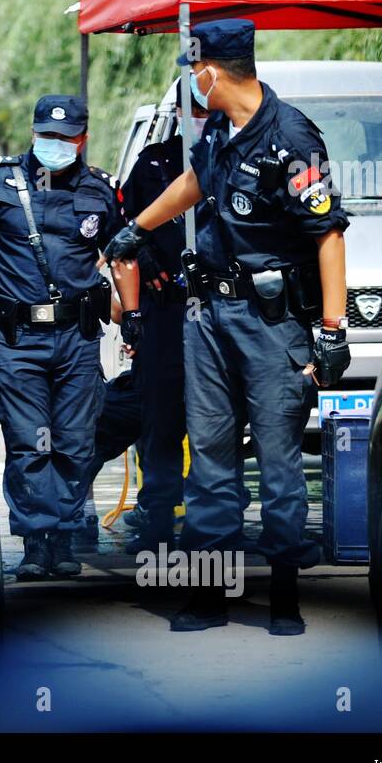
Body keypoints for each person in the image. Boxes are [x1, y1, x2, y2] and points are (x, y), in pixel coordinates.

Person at [104, 19, 350, 635]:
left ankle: (285, 596)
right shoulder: (217, 128)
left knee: (277, 456)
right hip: (207, 316)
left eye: (194, 70)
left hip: (271, 324)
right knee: (211, 456)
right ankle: (209, 594)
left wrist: (332, 326)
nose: (190, 81)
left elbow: (329, 234)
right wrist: (139, 225)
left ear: (213, 71)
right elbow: (196, 182)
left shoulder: (292, 136)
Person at [0, 95, 118, 580]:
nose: (55, 145)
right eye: (46, 135)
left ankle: (64, 539)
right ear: (33, 132)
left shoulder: (101, 190)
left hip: (77, 334)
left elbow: (123, 252)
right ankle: (34, 541)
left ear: (82, 139)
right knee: (28, 444)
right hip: (17, 334)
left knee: (74, 441)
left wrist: (130, 316)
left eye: (65, 138)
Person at [109, 84, 209, 554]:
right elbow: (124, 233)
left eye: (207, 110)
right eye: (192, 111)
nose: (200, 118)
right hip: (165, 310)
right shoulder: (152, 163)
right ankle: (158, 516)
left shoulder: (234, 156)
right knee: (160, 418)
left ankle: (211, 519)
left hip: (220, 309)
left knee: (216, 419)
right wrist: (141, 264)